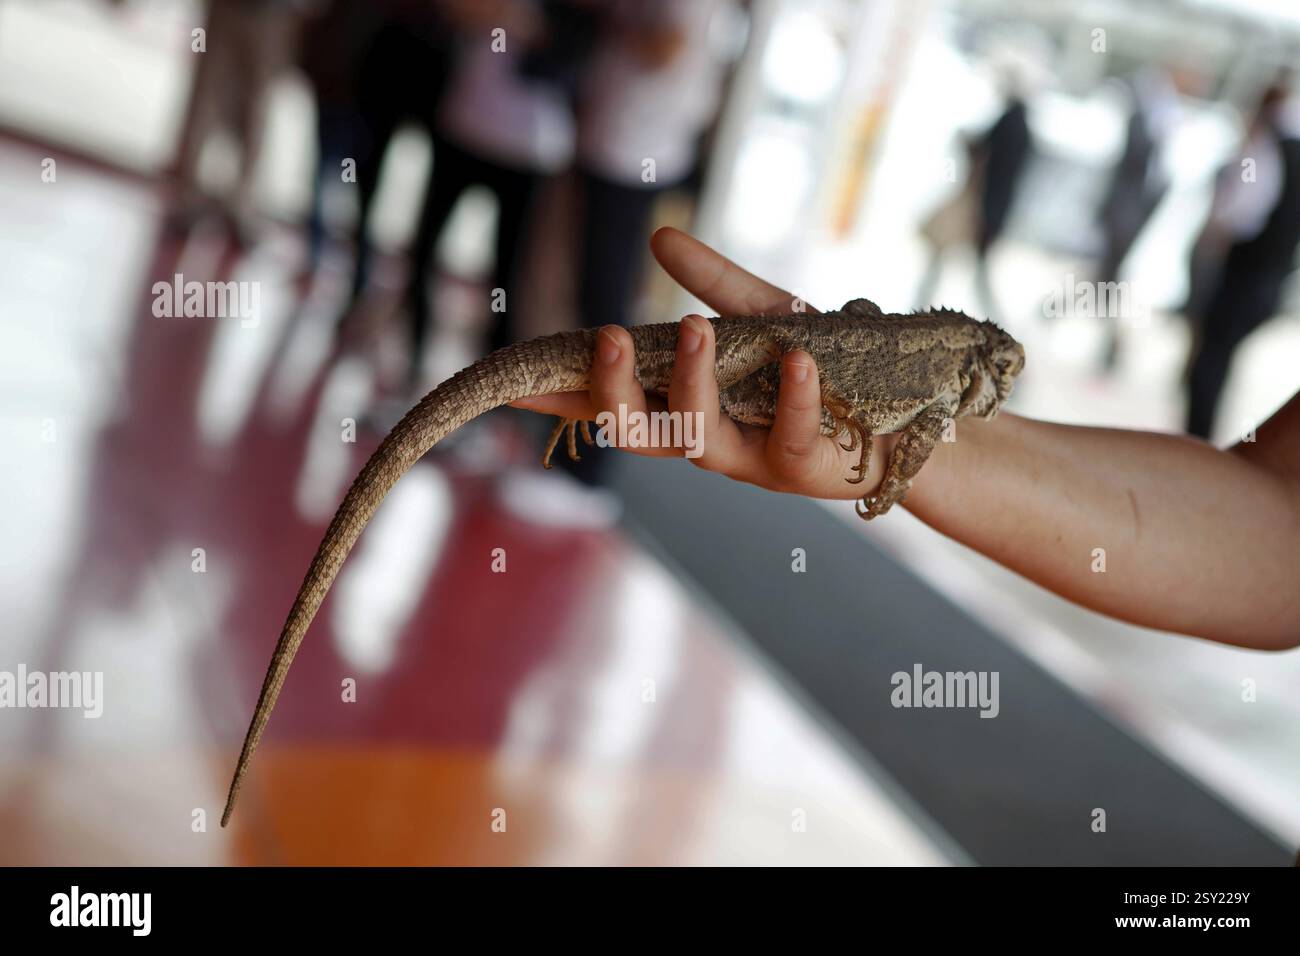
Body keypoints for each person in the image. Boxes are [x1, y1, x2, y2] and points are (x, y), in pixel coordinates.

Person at [516, 228, 1300, 652]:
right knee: (654, 374)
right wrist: (889, 465)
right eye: (1005, 373)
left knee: (665, 375)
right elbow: (1278, 536)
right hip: (816, 369)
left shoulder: (956, 377)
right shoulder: (953, 381)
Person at [1185, 79, 1300, 439]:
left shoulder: (1268, 145)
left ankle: (1197, 441)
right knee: (1216, 360)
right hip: (1270, 277)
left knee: (1210, 363)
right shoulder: (1288, 147)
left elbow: (1242, 211)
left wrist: (1214, 233)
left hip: (1244, 274)